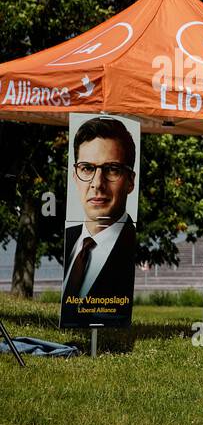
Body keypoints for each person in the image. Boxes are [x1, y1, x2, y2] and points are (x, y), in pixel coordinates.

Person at [62, 117, 137, 302]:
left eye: (112, 169)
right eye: (87, 168)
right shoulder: (70, 239)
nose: (97, 184)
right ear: (75, 176)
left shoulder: (133, 245)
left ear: (130, 181)